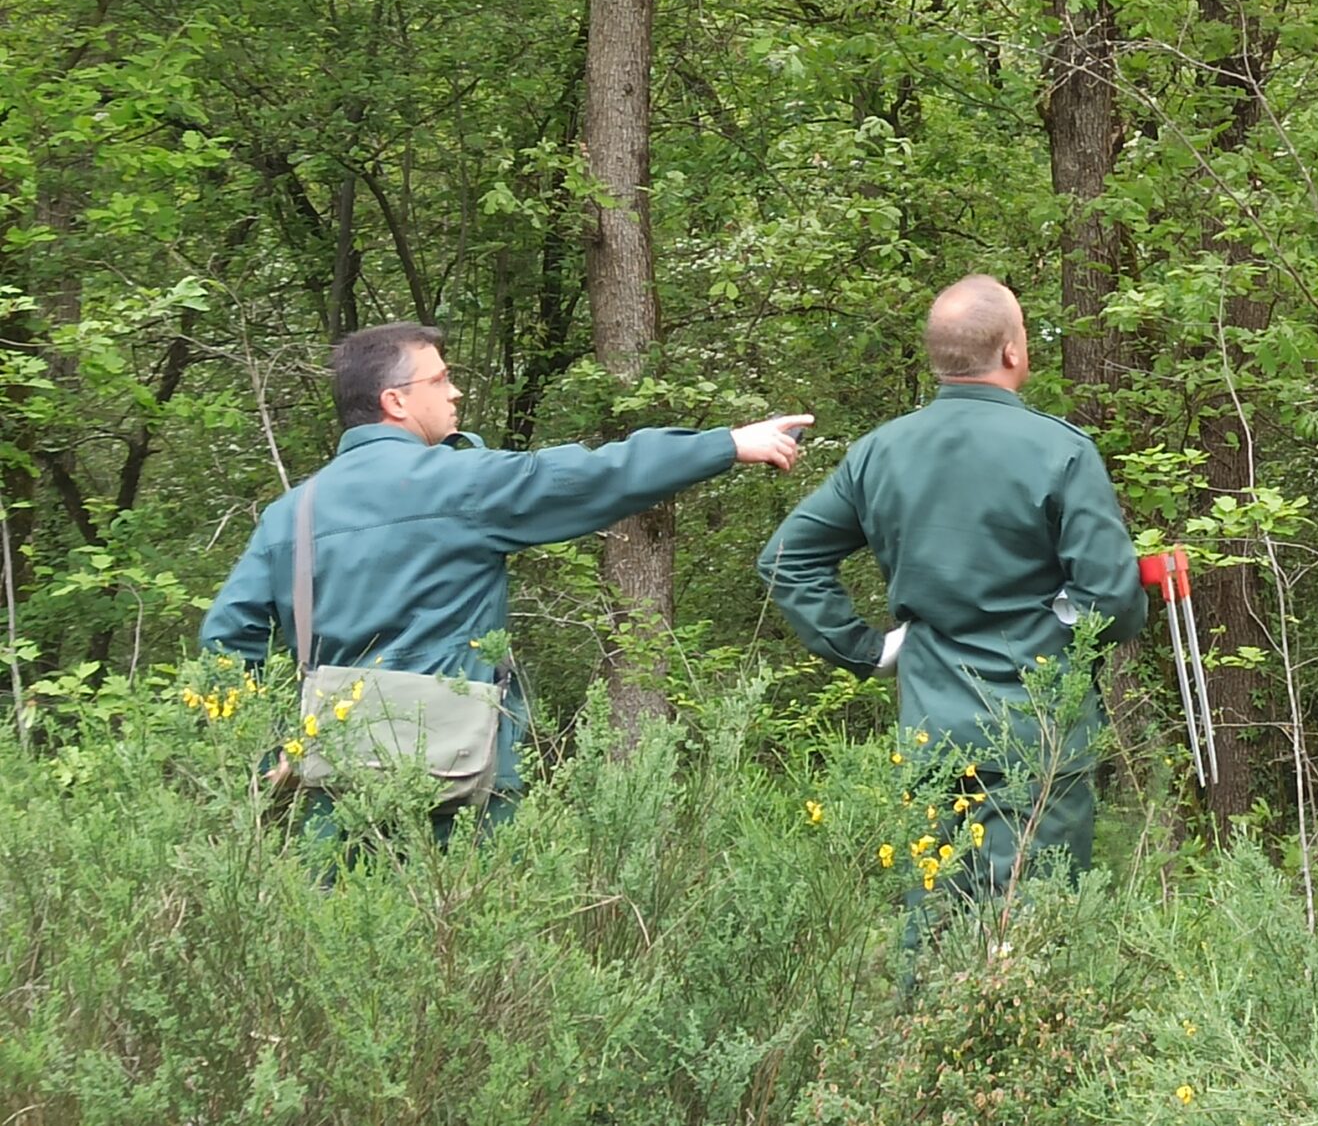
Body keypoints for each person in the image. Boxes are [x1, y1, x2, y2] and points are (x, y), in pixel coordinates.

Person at [200, 321, 811, 824]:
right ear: (395, 401)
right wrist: (726, 444)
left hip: (334, 790)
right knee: (467, 958)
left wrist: (264, 756)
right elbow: (596, 475)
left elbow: (225, 642)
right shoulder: (459, 480)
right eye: (440, 379)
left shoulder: (290, 515)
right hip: (457, 787)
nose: (455, 393)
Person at [757, 275, 1147, 896]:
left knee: (935, 922)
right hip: (1038, 738)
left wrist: (869, 649)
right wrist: (1068, 623)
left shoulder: (878, 452)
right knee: (1032, 927)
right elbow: (1114, 603)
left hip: (932, 734)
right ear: (1014, 351)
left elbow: (786, 560)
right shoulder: (1062, 450)